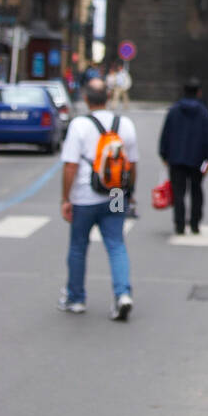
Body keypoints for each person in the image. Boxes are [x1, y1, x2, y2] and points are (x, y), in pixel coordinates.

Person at [58, 78, 137, 320]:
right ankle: (123, 294)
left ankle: (76, 298)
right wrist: (129, 194)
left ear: (86, 98)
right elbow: (132, 164)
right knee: (116, 244)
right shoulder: (124, 123)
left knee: (79, 247)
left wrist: (65, 198)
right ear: (108, 97)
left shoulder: (79, 125)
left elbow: (70, 165)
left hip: (85, 195)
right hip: (115, 192)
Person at [158, 79, 208, 235]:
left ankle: (179, 224)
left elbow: (166, 134)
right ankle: (195, 223)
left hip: (176, 158)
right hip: (198, 159)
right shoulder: (204, 112)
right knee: (196, 190)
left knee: (178, 192)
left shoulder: (173, 111)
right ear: (199, 92)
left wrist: (164, 154)